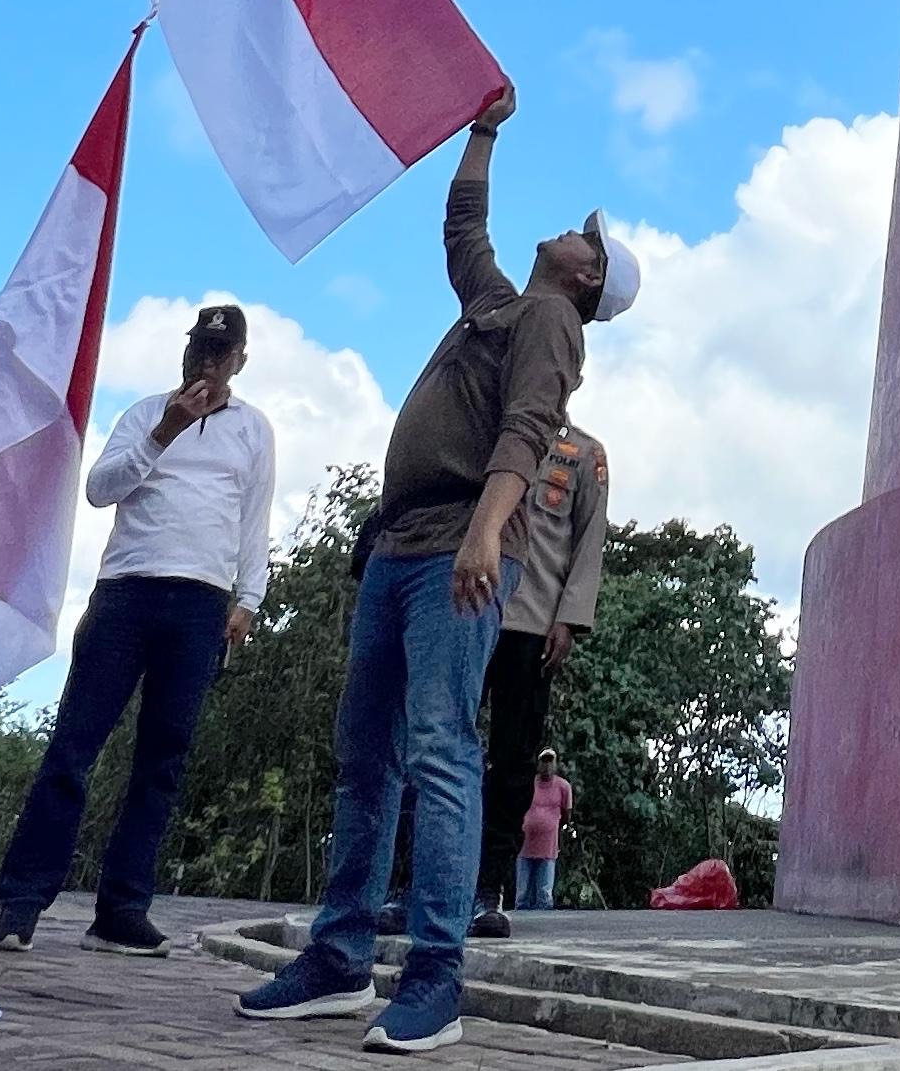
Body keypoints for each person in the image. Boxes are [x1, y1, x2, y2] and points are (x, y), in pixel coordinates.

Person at [237, 88, 640, 1053]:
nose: (572, 230)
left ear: (586, 279)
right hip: (398, 543)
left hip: (455, 544)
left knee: (442, 755)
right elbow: (462, 227)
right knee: (363, 757)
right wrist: (483, 130)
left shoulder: (550, 321)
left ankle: (433, 978)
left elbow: (526, 429)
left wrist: (487, 532)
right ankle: (336, 959)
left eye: (585, 236)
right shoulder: (502, 303)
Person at [0, 302, 276, 957]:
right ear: (185, 352)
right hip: (125, 591)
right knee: (73, 745)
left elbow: (252, 518)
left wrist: (249, 598)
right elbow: (98, 488)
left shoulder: (253, 429)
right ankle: (22, 901)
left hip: (201, 602)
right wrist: (165, 432)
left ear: (240, 360)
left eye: (221, 352)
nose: (208, 361)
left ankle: (122, 908)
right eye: (200, 348)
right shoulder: (146, 412)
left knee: (162, 762)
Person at [474, 427, 607, 935]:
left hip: (533, 622)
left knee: (514, 760)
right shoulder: (490, 435)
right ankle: (419, 883)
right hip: (471, 605)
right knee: (442, 748)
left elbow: (588, 538)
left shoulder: (584, 455)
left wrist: (568, 618)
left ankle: (489, 891)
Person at [512, 753, 573, 920]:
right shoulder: (528, 784)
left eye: (550, 762)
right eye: (543, 762)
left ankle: (543, 930)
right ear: (538, 764)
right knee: (522, 893)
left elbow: (567, 814)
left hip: (548, 845)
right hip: (525, 844)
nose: (546, 766)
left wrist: (552, 825)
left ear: (555, 764)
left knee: (544, 894)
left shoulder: (563, 786)